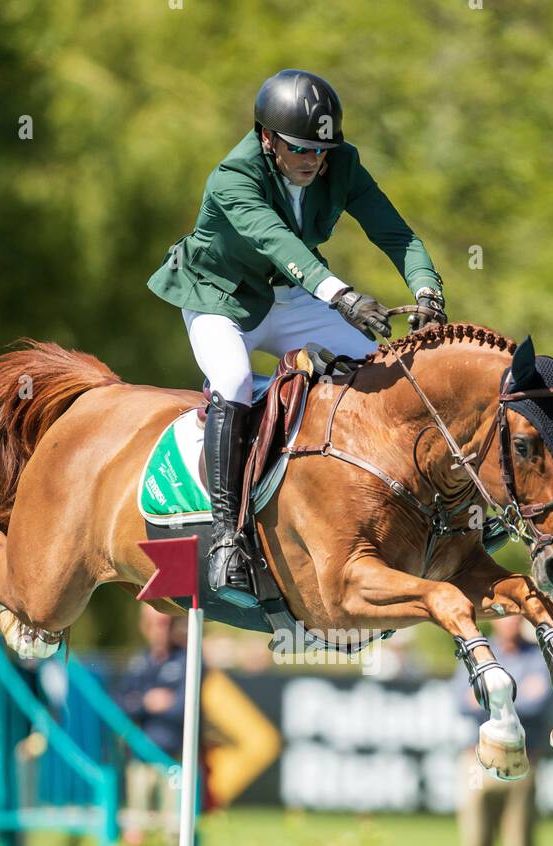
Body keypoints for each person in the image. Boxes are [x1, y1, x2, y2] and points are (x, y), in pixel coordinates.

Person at [147, 68, 446, 602]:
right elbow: (280, 243)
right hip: (221, 299)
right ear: (267, 138)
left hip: (288, 297)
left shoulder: (341, 164)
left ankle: (434, 505)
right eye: (299, 148)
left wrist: (428, 293)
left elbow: (396, 234)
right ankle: (226, 538)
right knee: (235, 381)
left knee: (386, 367)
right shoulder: (232, 178)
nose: (312, 161)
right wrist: (344, 296)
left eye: (321, 150)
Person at [456, 615, 551, 846]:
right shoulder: (475, 654)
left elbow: (538, 702)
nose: (510, 622)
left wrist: (492, 698)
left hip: (521, 760)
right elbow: (461, 701)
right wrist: (514, 696)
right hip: (478, 762)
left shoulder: (537, 658)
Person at [117, 608, 191, 815]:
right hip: (141, 757)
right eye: (154, 623)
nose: (160, 630)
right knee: (137, 825)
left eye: (164, 623)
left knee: (174, 827)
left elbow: (183, 707)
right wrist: (148, 703)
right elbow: (122, 706)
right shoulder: (138, 662)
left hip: (174, 758)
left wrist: (141, 703)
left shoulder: (187, 660)